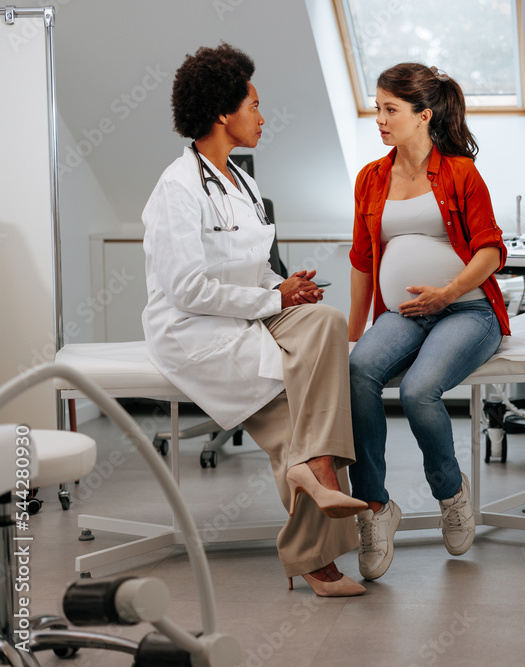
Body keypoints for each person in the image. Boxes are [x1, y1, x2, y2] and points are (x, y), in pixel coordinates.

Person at [142, 44, 367, 597]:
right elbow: (187, 289)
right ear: (224, 112)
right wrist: (273, 300)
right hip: (193, 331)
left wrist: (284, 289)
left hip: (246, 313)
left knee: (327, 321)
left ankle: (313, 467)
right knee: (293, 420)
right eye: (255, 105)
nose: (263, 118)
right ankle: (318, 540)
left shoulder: (238, 181)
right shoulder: (177, 187)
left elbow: (253, 269)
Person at [348, 63, 510, 580]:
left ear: (424, 115)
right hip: (403, 314)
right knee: (359, 371)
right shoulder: (371, 178)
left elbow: (490, 251)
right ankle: (375, 508)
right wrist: (355, 334)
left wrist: (448, 292)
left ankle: (451, 493)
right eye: (377, 108)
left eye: (390, 109)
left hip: (467, 309)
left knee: (418, 391)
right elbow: (360, 261)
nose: (380, 118)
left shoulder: (460, 172)